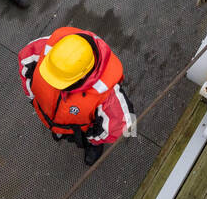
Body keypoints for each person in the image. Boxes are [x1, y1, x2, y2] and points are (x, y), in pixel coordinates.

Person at [17, 26, 133, 165]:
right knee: (62, 131)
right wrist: (32, 96)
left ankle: (92, 145)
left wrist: (93, 137)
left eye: (59, 81)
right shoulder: (48, 49)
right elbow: (25, 60)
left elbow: (119, 124)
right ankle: (58, 129)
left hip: (78, 130)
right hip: (51, 115)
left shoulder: (107, 95)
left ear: (82, 75)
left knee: (83, 139)